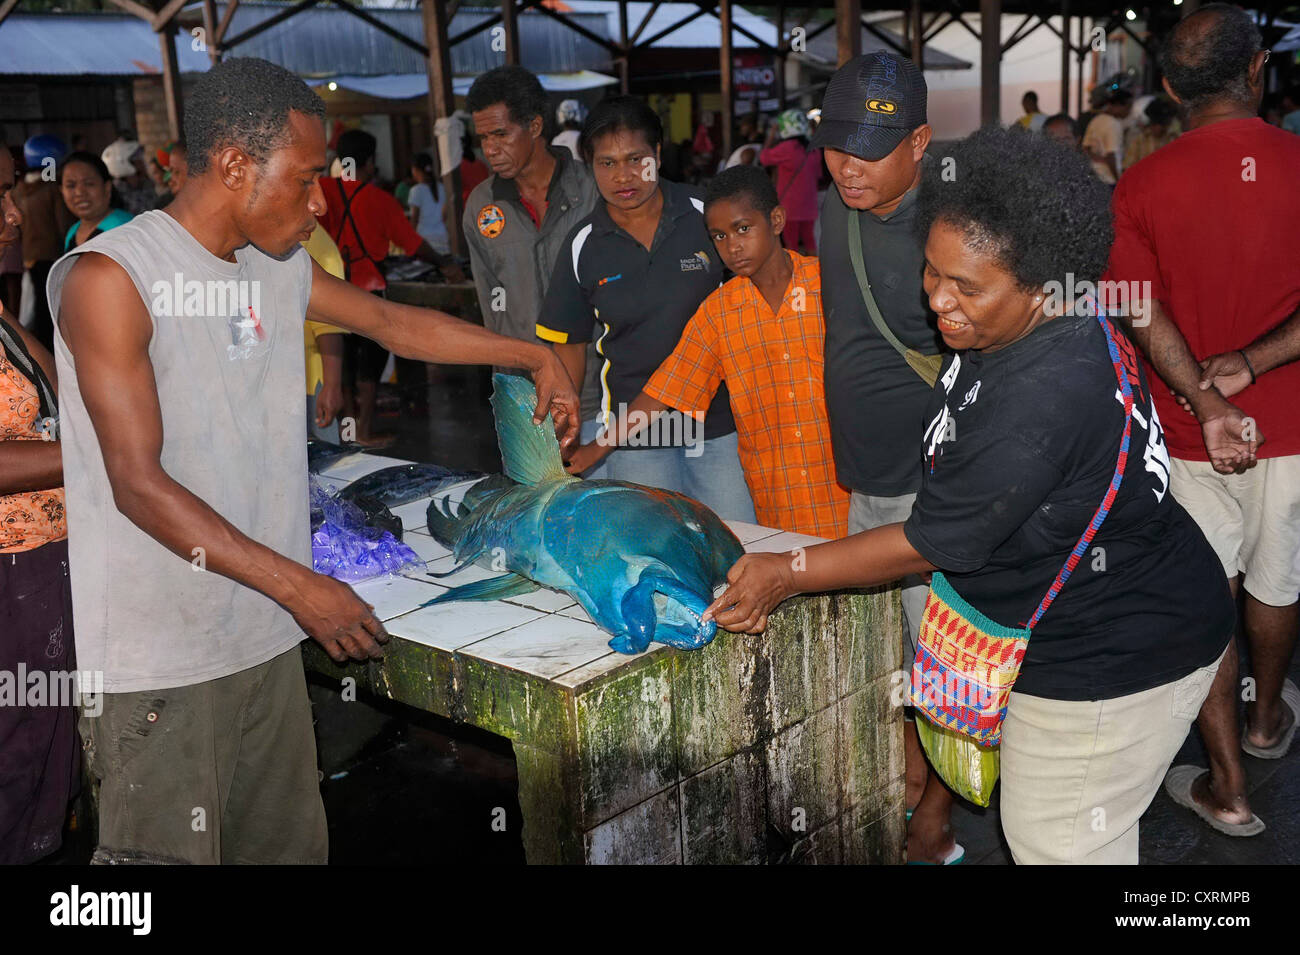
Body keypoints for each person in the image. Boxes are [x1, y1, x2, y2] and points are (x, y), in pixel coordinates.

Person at [47, 56, 579, 865]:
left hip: (263, 634)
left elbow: (391, 324)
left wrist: (532, 357)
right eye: (304, 180)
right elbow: (138, 484)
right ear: (233, 165)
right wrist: (306, 587)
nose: (320, 200)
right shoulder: (113, 280)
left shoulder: (277, 265)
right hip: (162, 660)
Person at [706, 125, 1234, 865]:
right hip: (1098, 615)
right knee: (1092, 826)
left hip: (1116, 655)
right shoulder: (1048, 324)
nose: (939, 302)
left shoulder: (1039, 403)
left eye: (967, 288)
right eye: (933, 272)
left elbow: (926, 543)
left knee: (1055, 837)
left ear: (1043, 285)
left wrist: (784, 571)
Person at [1103, 2, 1300, 839]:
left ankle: (1228, 788)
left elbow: (1126, 305)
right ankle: (1264, 723)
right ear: (1259, 71)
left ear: (1173, 86)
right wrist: (1251, 366)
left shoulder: (1140, 186)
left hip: (1185, 435)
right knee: (1277, 580)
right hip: (1291, 426)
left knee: (1206, 594)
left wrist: (1206, 399)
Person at [807, 51, 956, 863]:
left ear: (922, 141)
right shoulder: (836, 205)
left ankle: (936, 821)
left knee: (948, 672)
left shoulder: (954, 228)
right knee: (896, 662)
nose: (848, 166)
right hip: (864, 474)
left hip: (932, 490)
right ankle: (909, 783)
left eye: (870, 148)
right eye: (836, 143)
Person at [569, 164, 848, 538]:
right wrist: (597, 449)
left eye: (743, 229)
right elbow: (663, 391)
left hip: (844, 493)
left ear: (777, 220)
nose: (732, 246)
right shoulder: (718, 313)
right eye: (718, 236)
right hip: (776, 503)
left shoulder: (829, 287)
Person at [537, 96, 756, 523]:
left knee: (739, 544)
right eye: (607, 163)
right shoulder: (584, 245)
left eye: (637, 159)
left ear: (657, 154)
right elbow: (569, 344)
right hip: (633, 436)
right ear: (590, 167)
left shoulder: (708, 215)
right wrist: (565, 429)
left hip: (720, 425)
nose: (624, 176)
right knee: (654, 554)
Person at [0, 143, 79, 865]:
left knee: (47, 725)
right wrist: (101, 455)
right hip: (10, 568)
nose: (13, 213)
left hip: (46, 556)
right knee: (19, 737)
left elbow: (58, 400)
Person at [463, 66, 603, 435]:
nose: (490, 149)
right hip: (524, 402)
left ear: (536, 127)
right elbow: (492, 310)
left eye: (501, 134)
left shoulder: (594, 193)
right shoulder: (481, 207)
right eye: (483, 138)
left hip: (598, 397)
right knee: (534, 494)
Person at [317, 128, 464, 445]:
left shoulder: (323, 191)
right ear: (370, 162)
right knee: (369, 366)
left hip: (331, 289)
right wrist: (444, 263)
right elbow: (412, 245)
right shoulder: (380, 199)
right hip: (368, 288)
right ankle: (366, 431)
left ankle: (348, 432)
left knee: (343, 363)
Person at [12, 134, 72, 352]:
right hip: (51, 257)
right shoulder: (51, 190)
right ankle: (49, 350)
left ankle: (41, 347)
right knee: (50, 309)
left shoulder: (18, 190)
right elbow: (63, 226)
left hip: (29, 257)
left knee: (37, 307)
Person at [302, 225, 347, 442]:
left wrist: (331, 385)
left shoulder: (315, 239)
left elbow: (329, 325)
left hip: (312, 381)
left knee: (323, 463)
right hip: (273, 382)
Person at [759, 109, 821, 254]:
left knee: (791, 244)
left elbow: (763, 158)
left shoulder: (786, 148)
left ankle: (794, 274)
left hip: (789, 206)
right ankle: (816, 272)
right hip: (809, 205)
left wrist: (772, 134)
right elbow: (817, 175)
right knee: (809, 241)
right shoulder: (813, 149)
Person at [59, 152, 133, 251]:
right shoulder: (72, 232)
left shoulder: (124, 227)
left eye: (89, 184)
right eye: (71, 186)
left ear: (107, 187)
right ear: (62, 191)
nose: (79, 192)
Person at [1082, 88, 1134, 184]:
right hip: (1109, 178)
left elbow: (1085, 148)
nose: (1129, 111)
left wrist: (1098, 159)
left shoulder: (1096, 120)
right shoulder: (1113, 124)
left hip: (1095, 175)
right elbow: (1111, 155)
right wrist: (1119, 180)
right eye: (1128, 107)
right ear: (1118, 106)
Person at [100, 135, 158, 215]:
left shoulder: (145, 184)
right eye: (137, 159)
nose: (142, 162)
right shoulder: (116, 193)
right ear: (124, 163)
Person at [407, 151, 451, 255]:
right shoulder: (441, 187)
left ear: (415, 170)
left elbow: (414, 219)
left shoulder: (416, 190)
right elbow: (444, 216)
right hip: (443, 237)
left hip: (425, 241)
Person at [1123, 97, 1179, 167]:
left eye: (1162, 124)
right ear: (1150, 123)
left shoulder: (1174, 138)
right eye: (1155, 123)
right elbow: (1127, 166)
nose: (1158, 128)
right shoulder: (1140, 140)